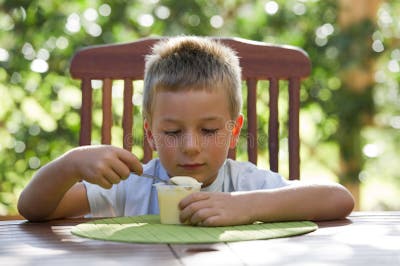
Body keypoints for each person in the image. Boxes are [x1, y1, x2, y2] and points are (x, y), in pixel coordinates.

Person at [18, 36, 354, 226]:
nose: (191, 146)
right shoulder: (131, 187)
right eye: (173, 132)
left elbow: (338, 198)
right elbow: (33, 209)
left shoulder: (245, 184)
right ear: (149, 134)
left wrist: (246, 207)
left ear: (234, 131)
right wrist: (70, 164)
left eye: (209, 130)